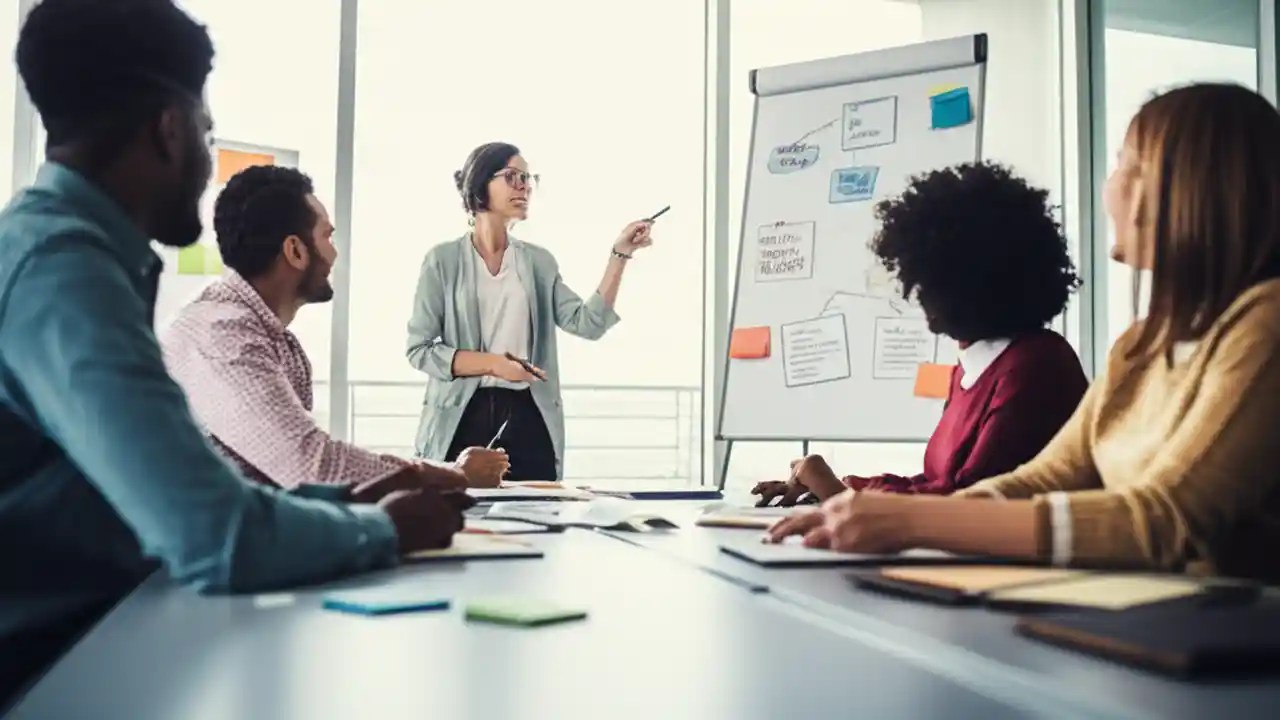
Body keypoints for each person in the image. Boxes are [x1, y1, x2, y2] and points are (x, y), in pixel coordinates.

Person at [0, 0, 467, 705]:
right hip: (51, 676)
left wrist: (344, 506)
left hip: (106, 645)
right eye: (207, 131)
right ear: (169, 129)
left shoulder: (61, 256)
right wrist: (382, 529)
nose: (208, 159)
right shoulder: (64, 272)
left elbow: (178, 490)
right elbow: (214, 534)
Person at [769, 83, 1280, 584]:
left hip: (1219, 627)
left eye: (1125, 163)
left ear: (1181, 188)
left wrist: (910, 521)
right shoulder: (1141, 344)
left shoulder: (1266, 325)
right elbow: (1048, 477)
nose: (1109, 188)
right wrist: (867, 512)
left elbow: (1166, 520)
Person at [753, 161, 1087, 506]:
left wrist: (837, 494)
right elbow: (935, 482)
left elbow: (967, 505)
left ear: (983, 280)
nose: (916, 293)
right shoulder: (971, 366)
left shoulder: (1036, 366)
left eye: (934, 280)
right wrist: (839, 486)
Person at [162, 166, 509, 491]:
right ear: (295, 251)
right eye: (327, 236)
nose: (334, 254)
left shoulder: (267, 335)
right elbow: (312, 467)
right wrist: (455, 475)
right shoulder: (223, 336)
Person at [407, 142, 653, 480]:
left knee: (539, 510)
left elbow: (589, 324)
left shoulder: (539, 262)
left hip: (528, 415)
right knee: (458, 509)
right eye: (512, 177)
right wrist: (494, 364)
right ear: (480, 183)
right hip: (460, 417)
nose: (524, 187)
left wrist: (619, 254)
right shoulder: (442, 260)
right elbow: (419, 350)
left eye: (528, 178)